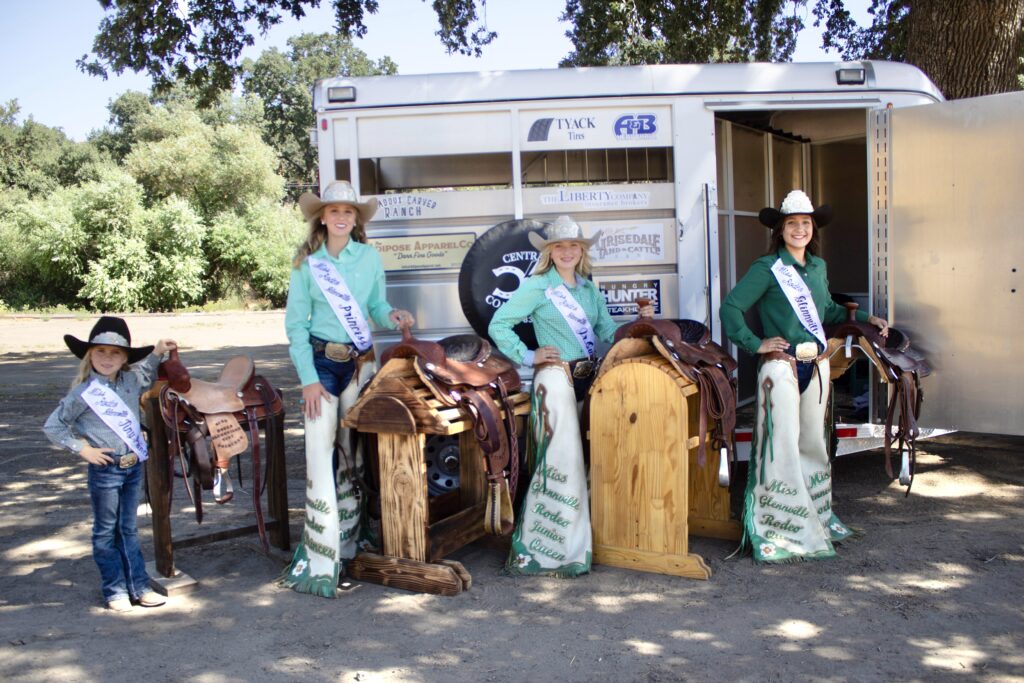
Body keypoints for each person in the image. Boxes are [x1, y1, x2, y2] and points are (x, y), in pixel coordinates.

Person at [720, 190, 889, 563]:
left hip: (817, 364)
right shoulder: (766, 269)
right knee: (780, 446)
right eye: (792, 224)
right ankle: (780, 526)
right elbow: (731, 308)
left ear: (813, 229)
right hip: (781, 365)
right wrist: (755, 343)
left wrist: (864, 320)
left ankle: (814, 516)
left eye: (806, 223)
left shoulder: (817, 268)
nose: (799, 229)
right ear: (780, 231)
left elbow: (826, 309)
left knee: (813, 442)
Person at [489, 215, 652, 576]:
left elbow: (607, 332)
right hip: (556, 378)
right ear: (549, 252)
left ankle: (589, 540)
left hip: (590, 379)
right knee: (562, 461)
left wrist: (640, 321)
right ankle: (552, 548)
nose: (567, 251)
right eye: (559, 246)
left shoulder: (589, 290)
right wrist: (529, 355)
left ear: (582, 251)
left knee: (596, 457)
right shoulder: (537, 286)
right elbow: (498, 324)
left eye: (573, 245)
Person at [280, 180, 414, 597]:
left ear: (356, 220)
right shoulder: (306, 266)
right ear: (322, 216)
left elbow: (374, 305)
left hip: (360, 363)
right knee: (320, 455)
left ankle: (350, 544)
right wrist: (307, 379)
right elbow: (294, 327)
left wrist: (391, 316)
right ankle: (321, 557)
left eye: (348, 212)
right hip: (321, 364)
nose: (341, 217)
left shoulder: (369, 258)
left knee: (353, 454)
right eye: (334, 211)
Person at [43, 316, 176, 612]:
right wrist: (83, 449)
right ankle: (114, 590)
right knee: (106, 531)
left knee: (128, 529)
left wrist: (157, 351)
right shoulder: (83, 392)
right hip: (105, 469)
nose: (107, 358)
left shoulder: (130, 380)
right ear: (89, 354)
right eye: (100, 351)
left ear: (125, 357)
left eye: (115, 352)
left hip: (132, 467)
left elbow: (146, 373)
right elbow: (54, 427)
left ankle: (139, 587)